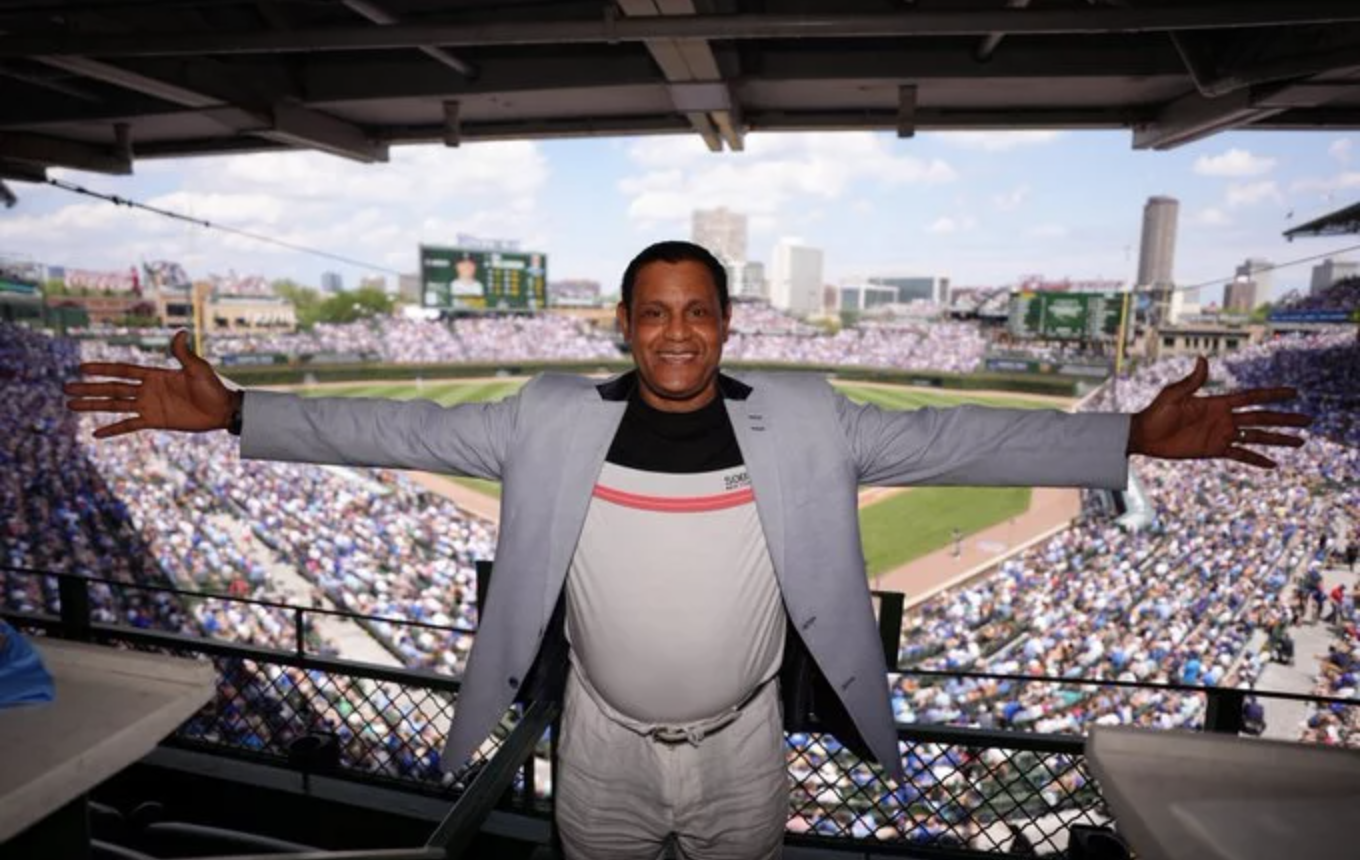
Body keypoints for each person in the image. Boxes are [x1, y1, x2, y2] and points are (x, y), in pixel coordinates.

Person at [65, 241, 1312, 860]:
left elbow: (953, 435)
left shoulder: (810, 413)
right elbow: (391, 419)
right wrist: (237, 411)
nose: (675, 333)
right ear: (625, 323)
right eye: (652, 313)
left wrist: (1127, 437)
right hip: (595, 741)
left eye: (697, 312)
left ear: (725, 323)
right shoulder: (549, 414)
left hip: (744, 745)